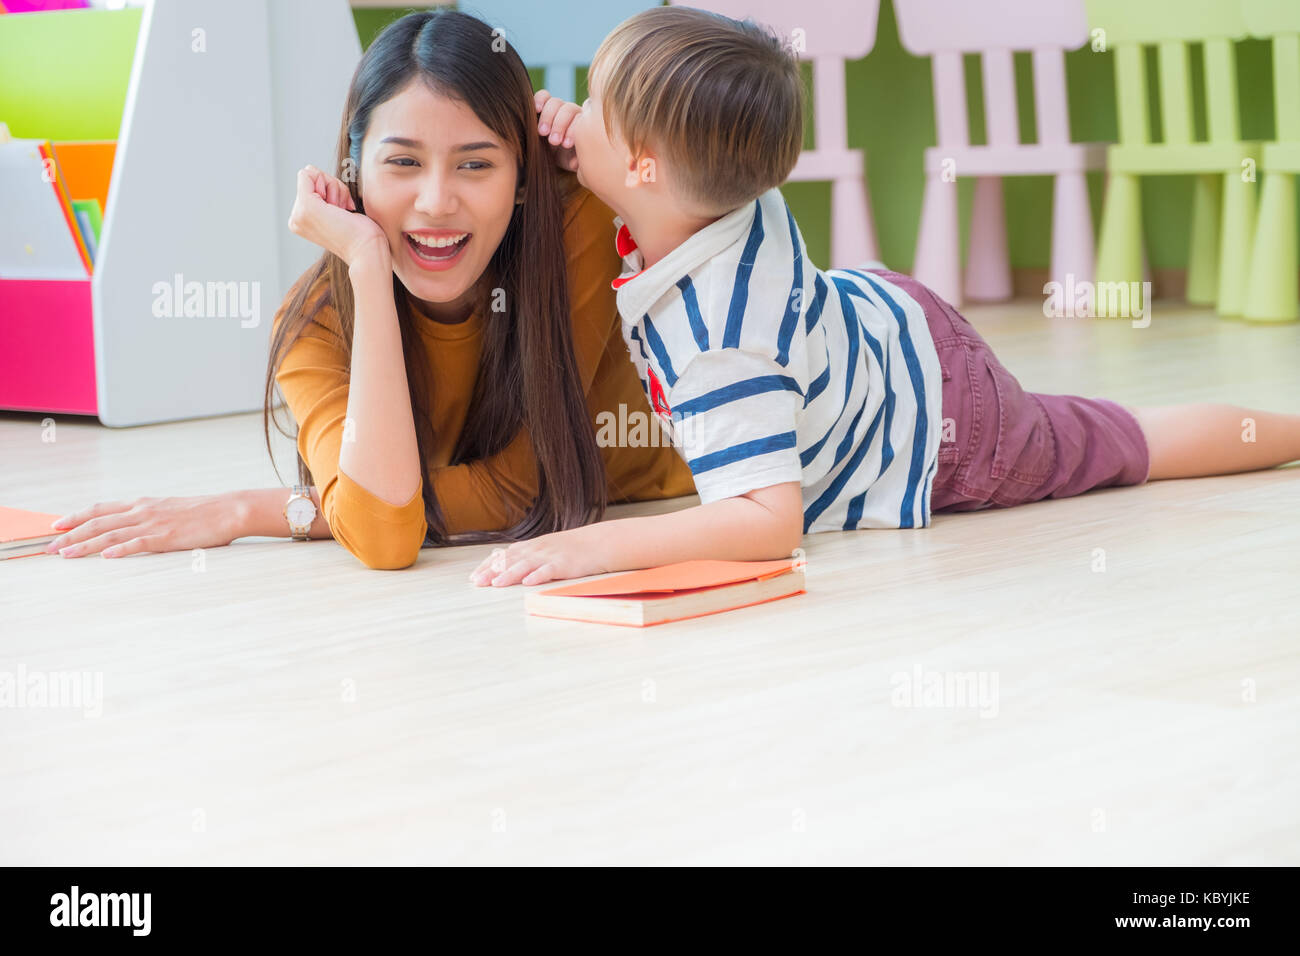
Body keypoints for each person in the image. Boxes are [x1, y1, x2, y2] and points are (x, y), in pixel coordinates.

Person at [471, 5, 1300, 587]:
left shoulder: (720, 340)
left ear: (646, 166)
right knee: (1110, 424)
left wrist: (601, 548)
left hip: (946, 421)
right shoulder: (719, 181)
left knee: (1124, 442)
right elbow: (654, 152)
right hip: (887, 331)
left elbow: (768, 524)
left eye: (596, 107)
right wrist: (586, 140)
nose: (572, 114)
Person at [43, 9, 694, 569]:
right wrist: (366, 263)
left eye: (476, 163)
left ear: (522, 176)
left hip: (717, 493)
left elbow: (528, 488)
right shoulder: (313, 324)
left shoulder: (571, 225)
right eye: (403, 162)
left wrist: (261, 509)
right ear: (354, 170)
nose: (437, 202)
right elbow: (385, 536)